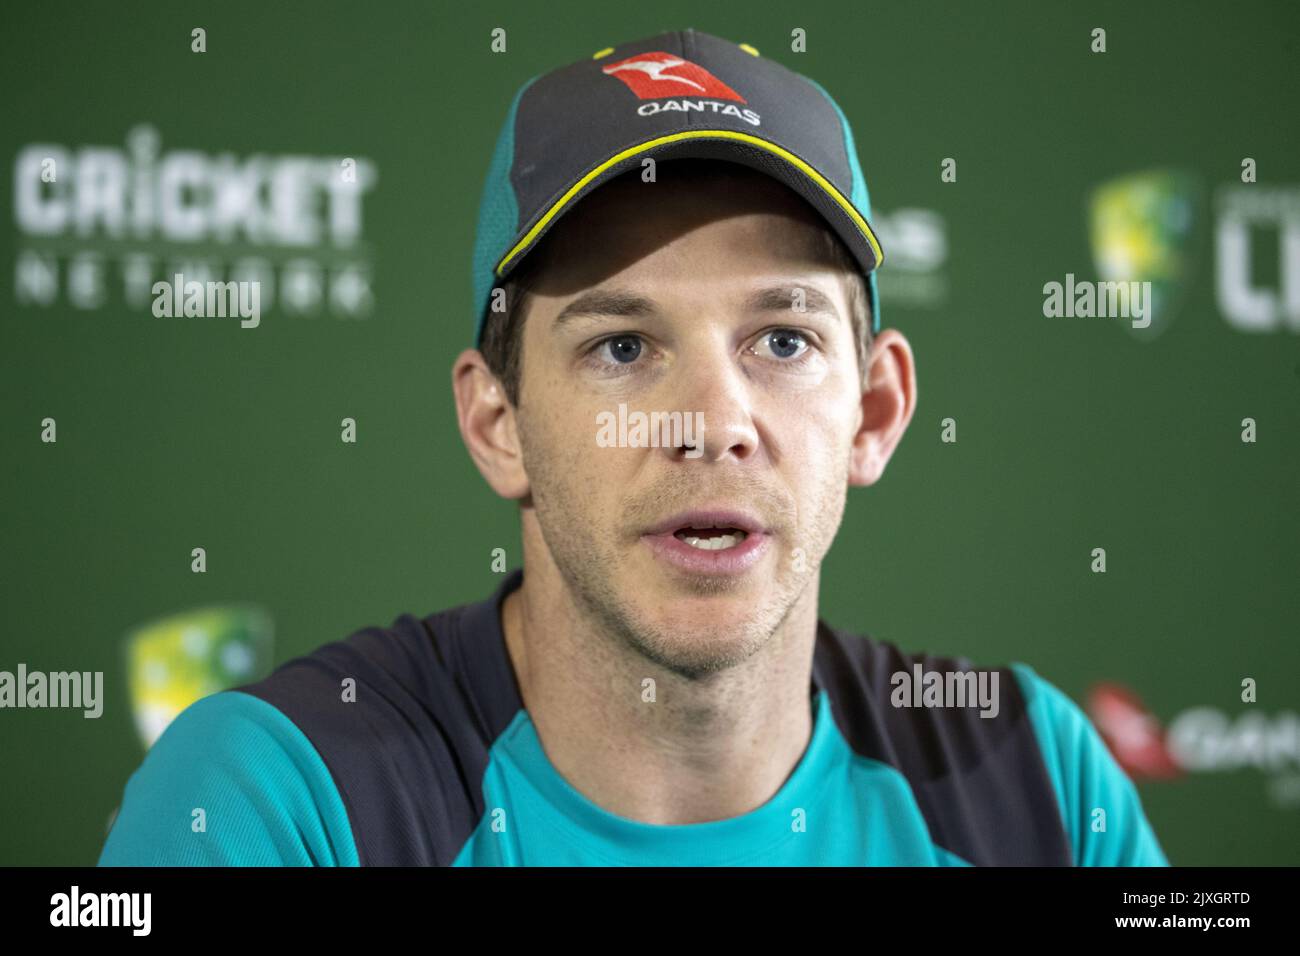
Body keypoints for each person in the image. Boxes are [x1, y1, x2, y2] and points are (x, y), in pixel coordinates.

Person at [99, 28, 1168, 867]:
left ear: (875, 410)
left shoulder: (1034, 779)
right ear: (498, 424)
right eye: (621, 345)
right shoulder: (275, 795)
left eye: (783, 339)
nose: (711, 420)